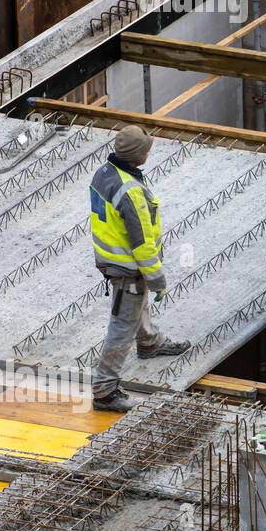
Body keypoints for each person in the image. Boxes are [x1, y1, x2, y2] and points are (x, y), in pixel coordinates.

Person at [89, 125, 189, 413]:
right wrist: (157, 278)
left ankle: (149, 342)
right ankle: (105, 391)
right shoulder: (131, 191)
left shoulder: (105, 172)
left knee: (136, 302)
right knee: (122, 325)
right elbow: (142, 243)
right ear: (138, 156)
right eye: (146, 150)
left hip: (112, 258)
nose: (148, 153)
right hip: (127, 267)